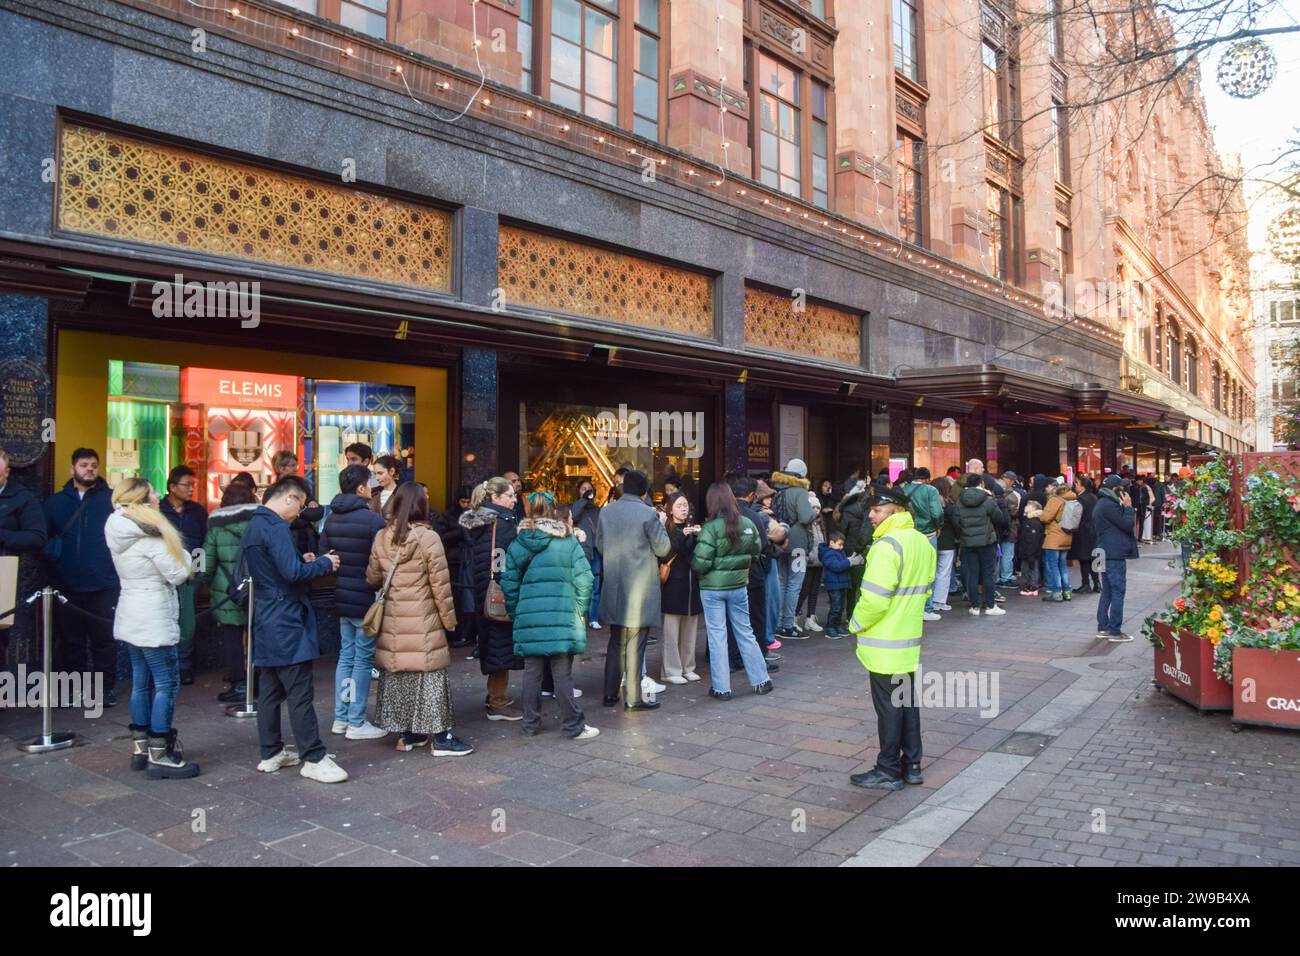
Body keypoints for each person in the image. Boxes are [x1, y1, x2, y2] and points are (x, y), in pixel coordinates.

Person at [242, 476, 347, 784]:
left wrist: (303, 559)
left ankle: (271, 752)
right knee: (299, 690)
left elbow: (281, 566)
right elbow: (292, 574)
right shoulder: (275, 527)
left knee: (271, 690)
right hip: (285, 617)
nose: (299, 513)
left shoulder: (254, 524)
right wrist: (324, 563)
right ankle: (313, 757)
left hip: (265, 614)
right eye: (299, 506)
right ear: (289, 498)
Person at [367, 482, 473, 755]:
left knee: (400, 671)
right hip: (423, 616)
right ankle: (441, 737)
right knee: (430, 675)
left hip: (393, 616)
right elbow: (440, 585)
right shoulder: (428, 537)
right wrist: (449, 620)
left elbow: (373, 577)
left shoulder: (381, 537)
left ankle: (408, 734)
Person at [105, 478, 199, 779]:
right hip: (153, 614)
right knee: (166, 683)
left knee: (140, 681)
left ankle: (140, 747)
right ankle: (161, 752)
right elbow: (178, 571)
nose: (158, 496)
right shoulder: (150, 536)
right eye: (153, 493)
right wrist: (183, 553)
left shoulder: (116, 526)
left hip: (130, 611)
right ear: (142, 501)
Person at [848, 485, 937, 791]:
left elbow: (874, 599)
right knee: (907, 703)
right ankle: (912, 766)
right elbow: (926, 588)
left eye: (877, 509)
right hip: (908, 638)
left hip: (883, 641)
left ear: (895, 511)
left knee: (889, 707)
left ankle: (887, 768)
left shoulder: (886, 546)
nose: (871, 515)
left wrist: (855, 623)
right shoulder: (921, 542)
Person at [500, 492, 598, 740]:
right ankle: (573, 725)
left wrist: (516, 612)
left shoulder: (518, 543)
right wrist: (579, 610)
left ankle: (530, 723)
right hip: (563, 616)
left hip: (529, 617)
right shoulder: (567, 541)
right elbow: (585, 579)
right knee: (562, 673)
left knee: (532, 673)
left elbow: (508, 584)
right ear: (554, 511)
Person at [43, 448, 118, 708]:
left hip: (103, 582)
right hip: (67, 584)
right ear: (72, 468)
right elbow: (43, 536)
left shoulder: (111, 500)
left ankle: (104, 689)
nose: (90, 469)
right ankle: (74, 690)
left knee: (104, 640)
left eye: (94, 465)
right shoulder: (55, 503)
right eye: (84, 465)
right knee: (70, 641)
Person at [320, 463, 387, 740]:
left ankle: (341, 717)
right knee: (362, 659)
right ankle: (356, 722)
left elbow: (324, 555)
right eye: (369, 483)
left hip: (340, 596)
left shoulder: (331, 519)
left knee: (346, 656)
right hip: (364, 598)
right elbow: (381, 560)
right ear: (361, 488)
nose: (372, 487)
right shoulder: (373, 520)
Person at [595, 469, 670, 710]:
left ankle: (609, 694)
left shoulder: (606, 512)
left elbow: (599, 545)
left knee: (616, 640)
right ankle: (633, 697)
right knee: (636, 643)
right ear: (645, 491)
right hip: (640, 586)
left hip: (614, 585)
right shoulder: (648, 514)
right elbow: (663, 548)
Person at [692, 482, 772, 700]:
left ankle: (722, 688)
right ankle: (761, 680)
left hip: (712, 589)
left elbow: (700, 563)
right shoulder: (747, 523)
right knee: (746, 631)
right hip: (739, 586)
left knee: (718, 635)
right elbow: (756, 553)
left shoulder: (709, 528)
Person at [460, 477, 525, 721]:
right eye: (509, 495)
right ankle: (497, 702)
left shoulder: (478, 520)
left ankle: (495, 695)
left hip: (481, 588)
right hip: (497, 591)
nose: (514, 499)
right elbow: (500, 557)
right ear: (495, 498)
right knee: (500, 644)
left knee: (492, 642)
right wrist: (505, 582)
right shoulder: (503, 522)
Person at [201, 481, 259, 704]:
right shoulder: (259, 525)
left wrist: (201, 583)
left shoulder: (216, 527)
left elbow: (206, 564)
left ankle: (239, 684)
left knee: (233, 640)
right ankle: (258, 682)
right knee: (256, 638)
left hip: (227, 592)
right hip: (256, 590)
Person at [730, 476, 785, 668]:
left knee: (732, 619)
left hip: (729, 575)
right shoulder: (753, 517)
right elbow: (762, 547)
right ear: (752, 495)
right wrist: (777, 550)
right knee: (756, 619)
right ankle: (758, 658)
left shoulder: (723, 513)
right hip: (752, 574)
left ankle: (734, 657)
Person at [160, 465, 206, 684]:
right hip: (163, 576)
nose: (191, 489)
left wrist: (199, 571)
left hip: (189, 576)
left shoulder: (197, 511)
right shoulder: (158, 510)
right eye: (186, 485)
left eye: (192, 485)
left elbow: (202, 543)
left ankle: (184, 666)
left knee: (187, 621)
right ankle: (166, 666)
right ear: (172, 487)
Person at [0, 447, 47, 660]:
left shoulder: (23, 498)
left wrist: (3, 536)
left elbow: (36, 536)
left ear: (7, 472)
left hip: (5, 576)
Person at [659, 491, 703, 684]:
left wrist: (699, 537)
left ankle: (688, 667)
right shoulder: (665, 529)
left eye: (685, 505)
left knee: (690, 629)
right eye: (679, 505)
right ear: (670, 510)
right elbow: (664, 554)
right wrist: (681, 536)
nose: (683, 509)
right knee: (671, 630)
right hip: (673, 584)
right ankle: (671, 671)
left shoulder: (692, 528)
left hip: (692, 584)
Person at [770, 459, 816, 639]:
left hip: (780, 543)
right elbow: (805, 517)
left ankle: (778, 623)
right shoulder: (800, 492)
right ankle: (788, 625)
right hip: (797, 545)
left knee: (781, 583)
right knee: (795, 585)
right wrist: (814, 512)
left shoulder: (778, 490)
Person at [951, 474, 1006, 616]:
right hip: (986, 542)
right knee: (988, 574)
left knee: (972, 573)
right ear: (981, 483)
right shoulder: (987, 499)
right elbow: (999, 517)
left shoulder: (959, 500)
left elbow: (956, 522)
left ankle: (974, 606)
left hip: (968, 542)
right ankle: (990, 605)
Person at [1093, 476, 1138, 642]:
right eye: (1122, 489)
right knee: (1117, 591)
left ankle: (1103, 627)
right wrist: (1128, 507)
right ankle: (1115, 631)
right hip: (1113, 553)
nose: (1125, 492)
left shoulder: (1101, 503)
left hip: (1103, 551)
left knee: (1108, 590)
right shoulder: (1109, 505)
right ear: (1116, 489)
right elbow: (1127, 524)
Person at [902, 467, 945, 622]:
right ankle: (926, 607)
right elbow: (937, 513)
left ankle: (911, 606)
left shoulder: (904, 489)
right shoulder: (930, 490)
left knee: (910, 570)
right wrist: (939, 526)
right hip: (928, 533)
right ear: (927, 478)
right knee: (928, 571)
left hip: (908, 533)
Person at [437, 485, 477, 649]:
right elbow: (440, 537)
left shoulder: (476, 515)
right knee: (457, 601)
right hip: (454, 562)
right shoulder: (447, 516)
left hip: (468, 561)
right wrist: (460, 532)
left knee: (469, 599)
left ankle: (468, 634)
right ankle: (457, 634)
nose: (466, 504)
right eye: (463, 501)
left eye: (468, 501)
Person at [272, 451, 324, 555]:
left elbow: (317, 512)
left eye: (296, 465)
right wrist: (303, 510)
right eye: (291, 466)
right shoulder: (273, 491)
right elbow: (280, 517)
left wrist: (298, 512)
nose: (295, 468)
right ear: (280, 468)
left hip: (307, 542)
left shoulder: (302, 487)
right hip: (286, 540)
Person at [569, 479, 603, 629]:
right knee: (580, 585)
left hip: (596, 551)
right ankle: (579, 617)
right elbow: (573, 516)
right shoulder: (575, 507)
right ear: (578, 491)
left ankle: (593, 617)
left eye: (590, 489)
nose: (587, 491)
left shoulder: (598, 510)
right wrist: (583, 500)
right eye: (583, 489)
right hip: (580, 550)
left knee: (595, 585)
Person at [1040, 480, 1078, 603]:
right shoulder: (1072, 499)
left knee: (1053, 566)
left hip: (1054, 537)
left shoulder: (1055, 500)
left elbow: (1045, 517)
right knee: (1063, 566)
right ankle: (1067, 592)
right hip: (1067, 536)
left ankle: (1056, 593)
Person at [817, 531, 860, 639]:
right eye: (839, 544)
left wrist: (849, 560)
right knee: (835, 607)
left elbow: (841, 565)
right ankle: (830, 627)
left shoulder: (839, 552)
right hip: (834, 585)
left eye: (842, 544)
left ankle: (837, 625)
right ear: (831, 543)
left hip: (841, 584)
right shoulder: (829, 554)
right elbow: (836, 566)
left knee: (840, 607)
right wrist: (849, 562)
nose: (842, 547)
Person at [796, 489, 826, 633]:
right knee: (803, 590)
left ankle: (810, 618)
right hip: (808, 562)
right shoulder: (805, 524)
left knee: (814, 591)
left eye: (817, 508)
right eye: (812, 507)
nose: (815, 510)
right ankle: (794, 617)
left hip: (819, 562)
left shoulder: (821, 523)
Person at [930, 475, 957, 613]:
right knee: (944, 572)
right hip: (947, 541)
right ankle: (939, 601)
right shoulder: (950, 505)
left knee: (930, 572)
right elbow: (956, 523)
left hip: (930, 539)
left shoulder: (928, 502)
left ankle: (929, 602)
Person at [1070, 476, 1101, 594]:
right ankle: (1097, 583)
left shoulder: (1080, 499)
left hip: (1083, 531)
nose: (1075, 486)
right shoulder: (1094, 497)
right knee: (1094, 558)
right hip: (1095, 531)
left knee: (1083, 558)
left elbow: (1076, 516)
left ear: (1082, 486)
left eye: (1077, 483)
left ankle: (1085, 584)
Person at [998, 472, 1023, 587]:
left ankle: (998, 577)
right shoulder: (1012, 495)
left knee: (998, 554)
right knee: (1008, 554)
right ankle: (1006, 577)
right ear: (1011, 481)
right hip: (1010, 528)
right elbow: (1014, 513)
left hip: (997, 528)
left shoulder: (994, 493)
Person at [1016, 501, 1045, 597]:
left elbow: (1034, 540)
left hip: (1031, 551)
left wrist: (1031, 553)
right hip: (1026, 550)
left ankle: (1033, 587)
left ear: (1034, 508)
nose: (1026, 507)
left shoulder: (1034, 522)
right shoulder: (1027, 520)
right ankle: (1029, 586)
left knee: (1032, 568)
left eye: (1029, 505)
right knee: (1026, 569)